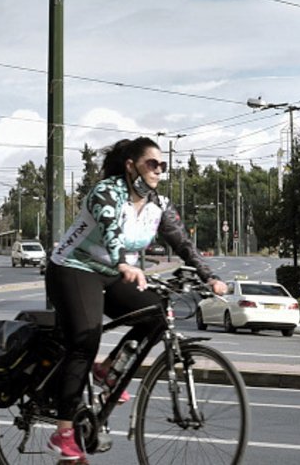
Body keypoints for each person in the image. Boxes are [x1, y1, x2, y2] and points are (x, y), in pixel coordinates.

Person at [43, 137, 226, 462]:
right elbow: (112, 230)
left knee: (156, 313)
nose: (158, 170)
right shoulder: (107, 192)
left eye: (162, 165)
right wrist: (123, 262)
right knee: (86, 338)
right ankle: (64, 432)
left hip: (112, 270)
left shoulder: (158, 205)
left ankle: (109, 370)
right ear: (131, 166)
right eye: (151, 163)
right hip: (73, 266)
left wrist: (208, 275)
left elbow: (183, 244)